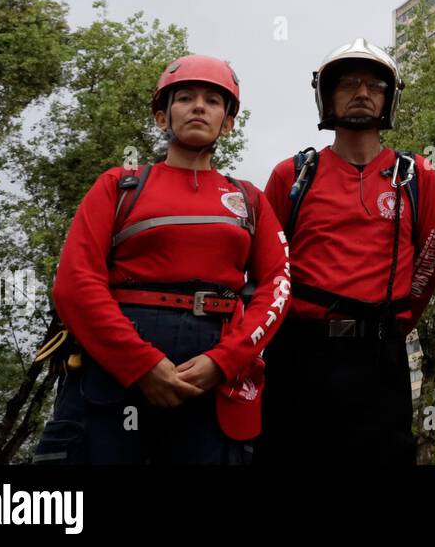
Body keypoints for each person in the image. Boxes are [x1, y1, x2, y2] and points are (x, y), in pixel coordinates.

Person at [35, 55, 290, 464]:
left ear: (227, 123)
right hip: (113, 369)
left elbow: (276, 287)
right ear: (161, 117)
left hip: (214, 375)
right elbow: (75, 284)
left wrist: (224, 360)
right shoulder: (118, 185)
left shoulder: (251, 200)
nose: (199, 106)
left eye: (212, 100)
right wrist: (140, 363)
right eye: (185, 97)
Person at [260, 39, 435, 465]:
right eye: (348, 83)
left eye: (374, 84)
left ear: (389, 98)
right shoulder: (292, 175)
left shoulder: (417, 176)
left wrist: (389, 323)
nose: (362, 92)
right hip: (300, 355)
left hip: (380, 359)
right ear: (326, 96)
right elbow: (266, 270)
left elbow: (429, 264)